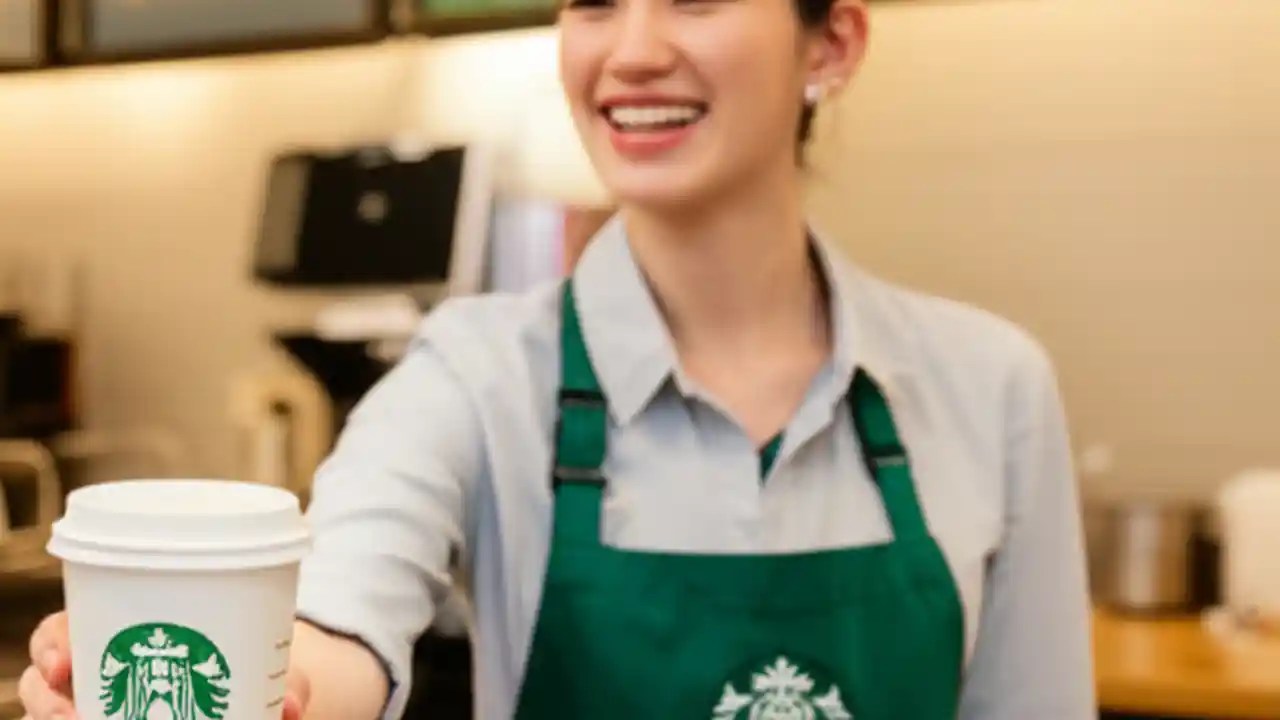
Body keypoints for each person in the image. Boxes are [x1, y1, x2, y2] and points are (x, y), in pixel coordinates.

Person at [20, 0, 1096, 717]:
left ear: (832, 44)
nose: (628, 52)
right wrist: (245, 686)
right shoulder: (476, 372)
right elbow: (337, 623)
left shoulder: (988, 385)